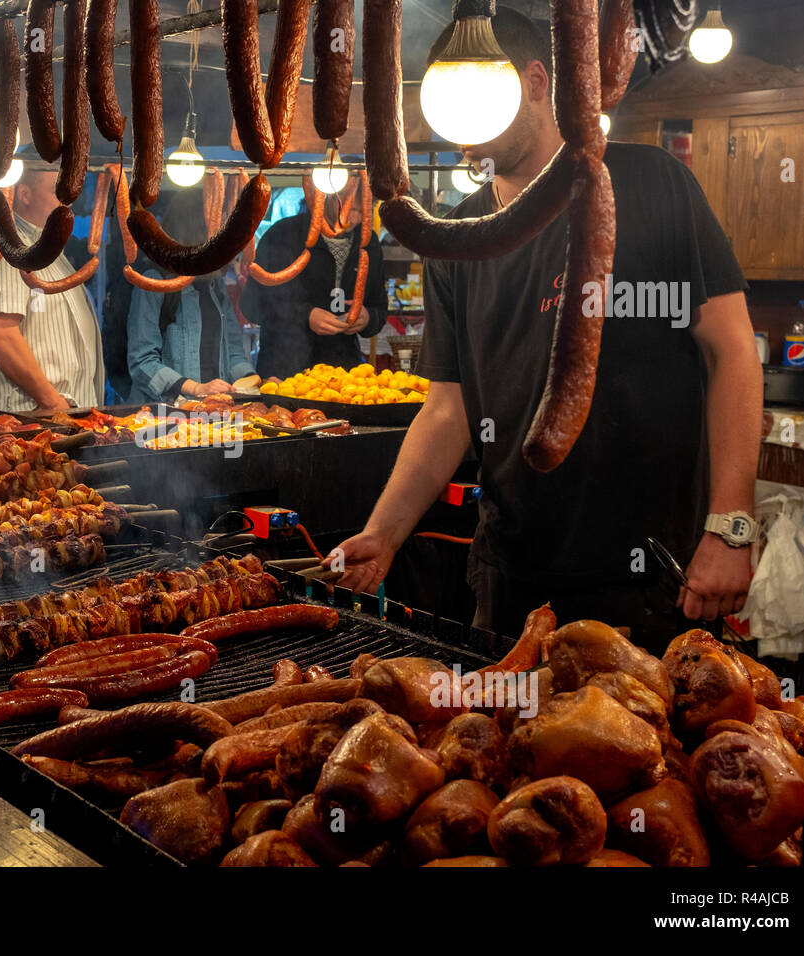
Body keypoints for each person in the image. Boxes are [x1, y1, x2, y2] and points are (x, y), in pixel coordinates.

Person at [329, 9, 763, 654]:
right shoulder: (452, 235)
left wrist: (730, 527)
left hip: (654, 569)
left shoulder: (650, 183)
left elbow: (732, 352)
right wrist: (384, 533)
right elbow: (448, 410)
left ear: (537, 81)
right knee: (500, 745)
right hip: (512, 568)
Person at [0, 153, 104, 413]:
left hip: (65, 416)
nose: (67, 200)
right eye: (57, 190)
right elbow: (1, 336)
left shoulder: (50, 250)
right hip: (34, 421)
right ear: (25, 195)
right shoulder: (9, 250)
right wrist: (53, 402)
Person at [243, 175, 388, 378]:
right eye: (350, 209)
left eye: (363, 212)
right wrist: (306, 316)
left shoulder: (369, 243)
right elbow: (253, 306)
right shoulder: (284, 234)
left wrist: (367, 318)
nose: (354, 219)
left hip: (342, 374)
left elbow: (380, 308)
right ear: (328, 196)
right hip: (283, 371)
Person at [126, 187, 257, 403]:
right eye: (221, 225)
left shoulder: (215, 286)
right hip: (163, 417)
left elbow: (233, 353)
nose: (225, 235)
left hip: (213, 412)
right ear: (199, 228)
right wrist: (196, 388)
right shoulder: (154, 282)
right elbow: (142, 362)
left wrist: (254, 380)